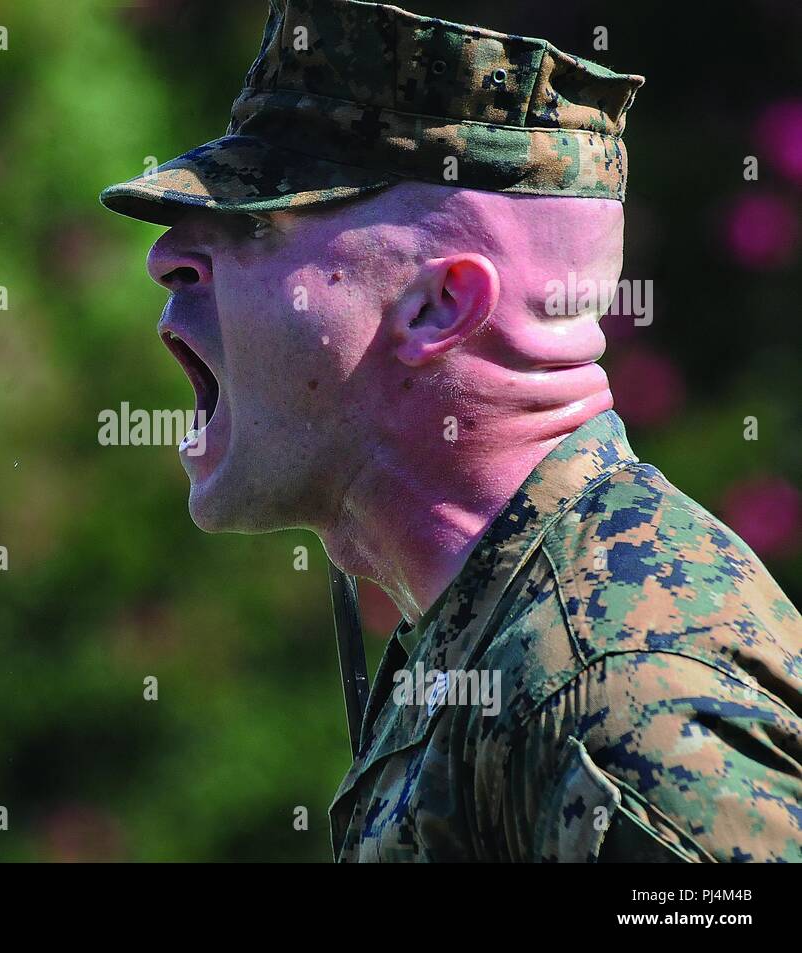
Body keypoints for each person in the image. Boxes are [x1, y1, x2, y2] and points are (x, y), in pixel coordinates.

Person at [99, 0, 802, 861]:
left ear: (439, 307)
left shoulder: (616, 699)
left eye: (253, 221)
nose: (164, 257)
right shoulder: (503, 632)